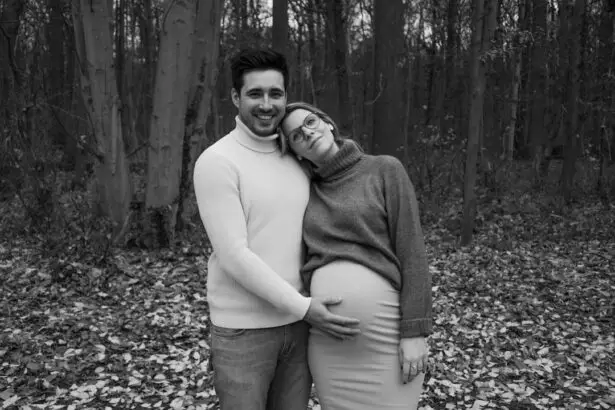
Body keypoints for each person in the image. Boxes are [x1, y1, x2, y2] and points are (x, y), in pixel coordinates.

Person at [193, 50, 360, 410]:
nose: (267, 105)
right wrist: (304, 307)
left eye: (276, 94)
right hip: (244, 333)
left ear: (286, 96)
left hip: (300, 328)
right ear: (235, 97)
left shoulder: (297, 156)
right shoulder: (217, 162)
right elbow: (234, 256)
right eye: (255, 94)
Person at [279, 102, 433, 410]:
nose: (307, 133)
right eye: (296, 135)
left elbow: (412, 250)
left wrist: (416, 332)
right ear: (295, 152)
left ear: (328, 123)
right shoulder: (303, 189)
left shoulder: (384, 169)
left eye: (310, 122)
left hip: (386, 339)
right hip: (329, 347)